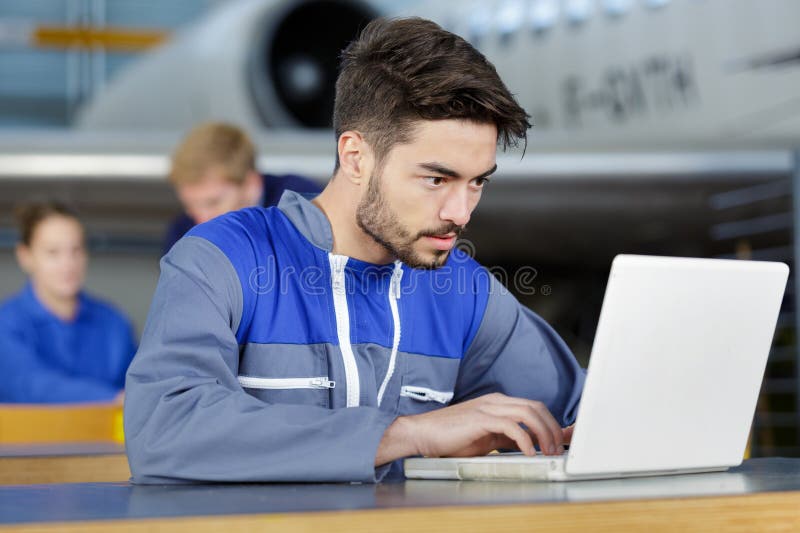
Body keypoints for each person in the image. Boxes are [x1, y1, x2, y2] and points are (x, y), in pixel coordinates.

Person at [125, 17, 585, 483]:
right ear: (355, 157)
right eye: (437, 179)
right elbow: (164, 427)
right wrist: (410, 434)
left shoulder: (465, 291)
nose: (461, 213)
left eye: (477, 182)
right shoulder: (217, 259)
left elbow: (586, 415)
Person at [0, 202, 137, 403]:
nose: (68, 264)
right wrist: (113, 398)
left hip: (105, 435)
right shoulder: (7, 325)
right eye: (53, 252)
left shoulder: (113, 322)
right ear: (25, 256)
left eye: (76, 250)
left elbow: (141, 383)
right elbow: (32, 387)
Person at [162, 122, 321, 254]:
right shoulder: (183, 234)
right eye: (190, 206)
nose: (201, 219)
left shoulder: (302, 205)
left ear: (251, 184)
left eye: (213, 202)